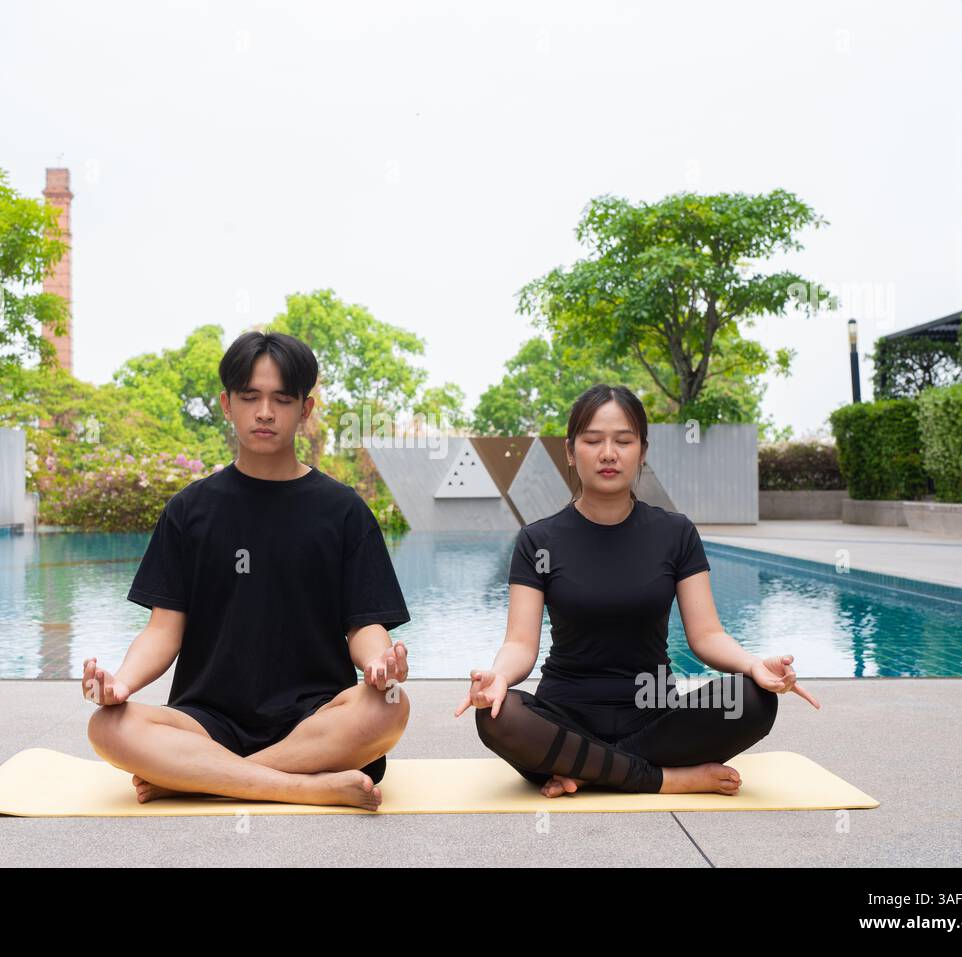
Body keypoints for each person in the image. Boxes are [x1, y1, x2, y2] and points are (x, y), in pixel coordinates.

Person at [83, 331, 412, 811]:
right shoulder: (188, 511)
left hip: (315, 720)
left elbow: (365, 624)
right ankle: (302, 787)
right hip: (205, 720)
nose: (264, 412)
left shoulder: (343, 511)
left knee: (391, 705)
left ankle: (203, 778)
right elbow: (163, 630)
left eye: (282, 399)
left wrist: (381, 665)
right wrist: (122, 684)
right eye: (249, 397)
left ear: (306, 409)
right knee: (107, 726)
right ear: (226, 403)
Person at [456, 384, 821, 797]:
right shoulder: (538, 540)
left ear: (642, 452)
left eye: (623, 441)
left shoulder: (675, 533)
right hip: (565, 716)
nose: (608, 453)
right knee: (497, 717)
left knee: (754, 700)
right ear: (570, 452)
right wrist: (498, 677)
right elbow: (521, 644)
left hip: (654, 718)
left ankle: (592, 770)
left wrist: (754, 665)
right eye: (593, 440)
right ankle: (663, 779)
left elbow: (707, 636)